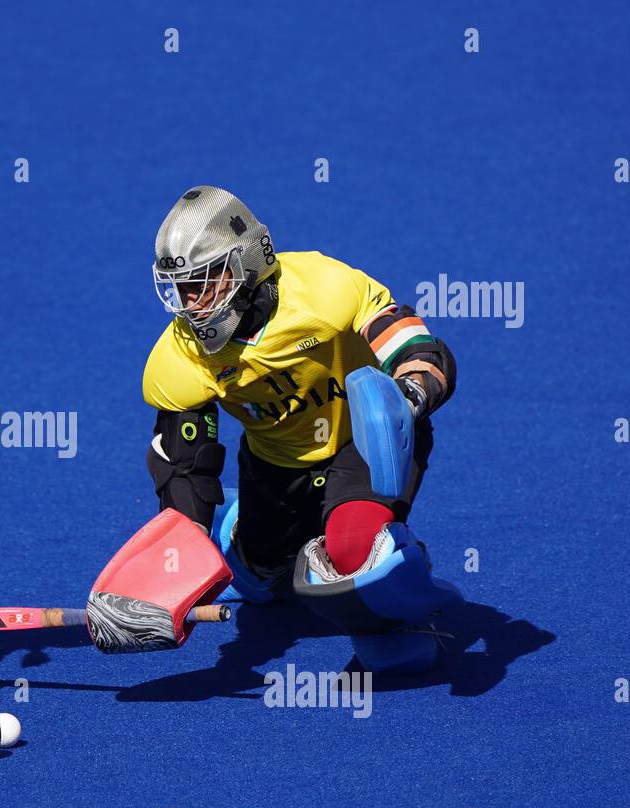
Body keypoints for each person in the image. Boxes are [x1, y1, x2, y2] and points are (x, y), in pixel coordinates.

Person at [142, 185, 458, 669]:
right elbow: (185, 470)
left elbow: (420, 350)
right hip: (275, 467)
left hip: (365, 438)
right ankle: (245, 531)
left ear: (247, 263)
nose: (192, 304)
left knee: (351, 547)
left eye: (205, 282)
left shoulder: (324, 288)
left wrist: (409, 396)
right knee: (260, 583)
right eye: (181, 289)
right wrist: (173, 571)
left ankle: (399, 614)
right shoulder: (179, 357)